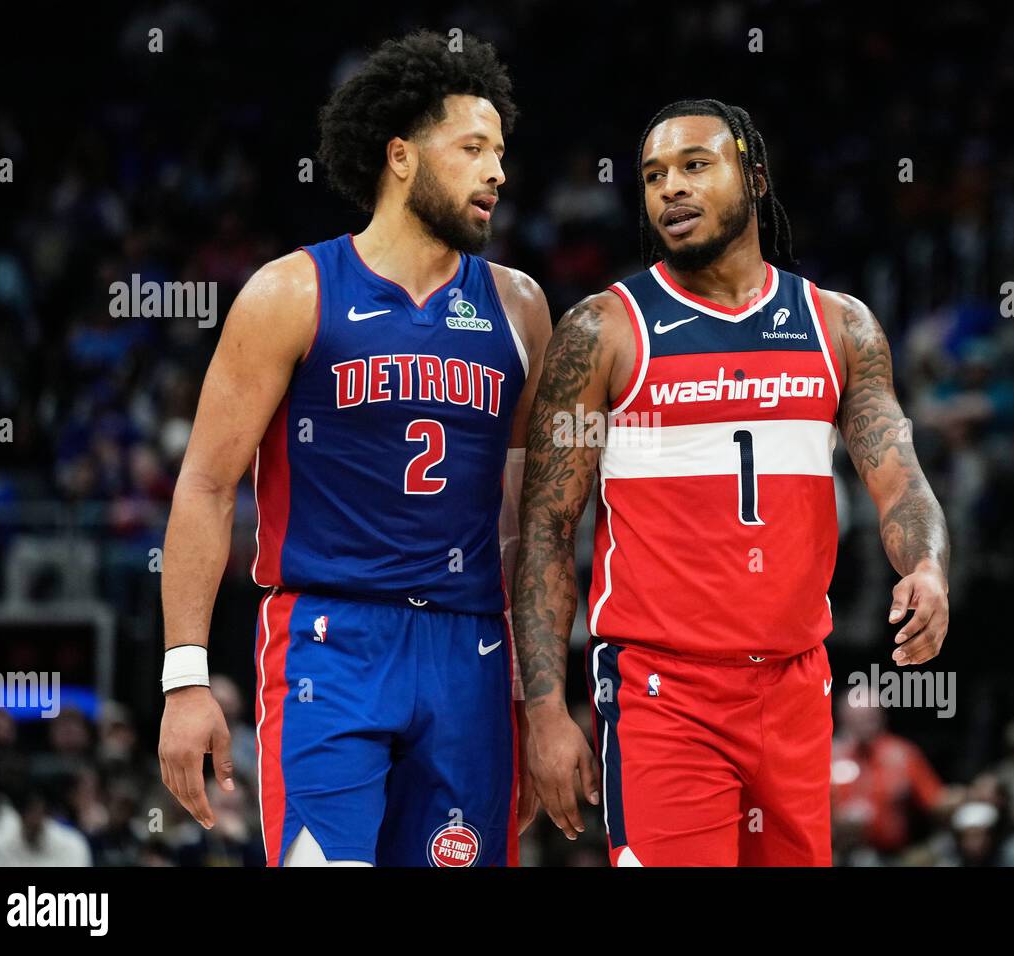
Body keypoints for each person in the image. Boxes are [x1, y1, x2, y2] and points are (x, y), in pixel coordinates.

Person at [512, 99, 950, 866]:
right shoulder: (602, 331)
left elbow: (900, 477)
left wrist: (927, 567)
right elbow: (546, 528)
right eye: (652, 177)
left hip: (795, 686)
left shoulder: (839, 325)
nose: (670, 189)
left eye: (694, 166)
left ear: (751, 176)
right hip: (661, 694)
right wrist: (546, 711)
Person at [157, 31, 550, 867]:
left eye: (502, 154)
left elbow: (528, 523)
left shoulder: (520, 309)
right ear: (400, 155)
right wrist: (185, 675)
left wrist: (534, 697)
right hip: (327, 642)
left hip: (469, 651)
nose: (497, 173)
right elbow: (203, 485)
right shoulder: (290, 292)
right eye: (473, 148)